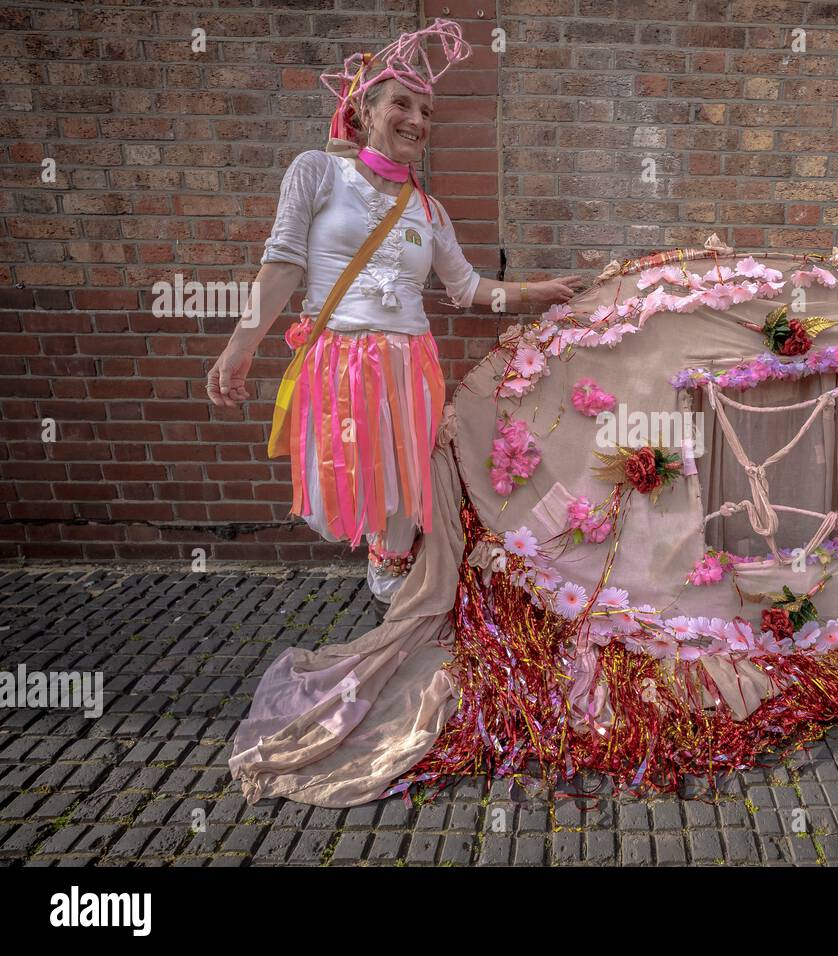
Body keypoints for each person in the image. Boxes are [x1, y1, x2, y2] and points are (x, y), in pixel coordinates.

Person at [205, 20, 582, 602]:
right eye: (402, 104)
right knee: (361, 480)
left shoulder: (429, 210)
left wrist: (541, 292)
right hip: (342, 362)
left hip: (411, 365)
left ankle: (394, 593)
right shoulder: (317, 171)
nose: (418, 120)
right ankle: (390, 593)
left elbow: (468, 288)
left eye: (427, 111)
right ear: (364, 112)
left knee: (410, 485)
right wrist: (240, 349)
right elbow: (282, 264)